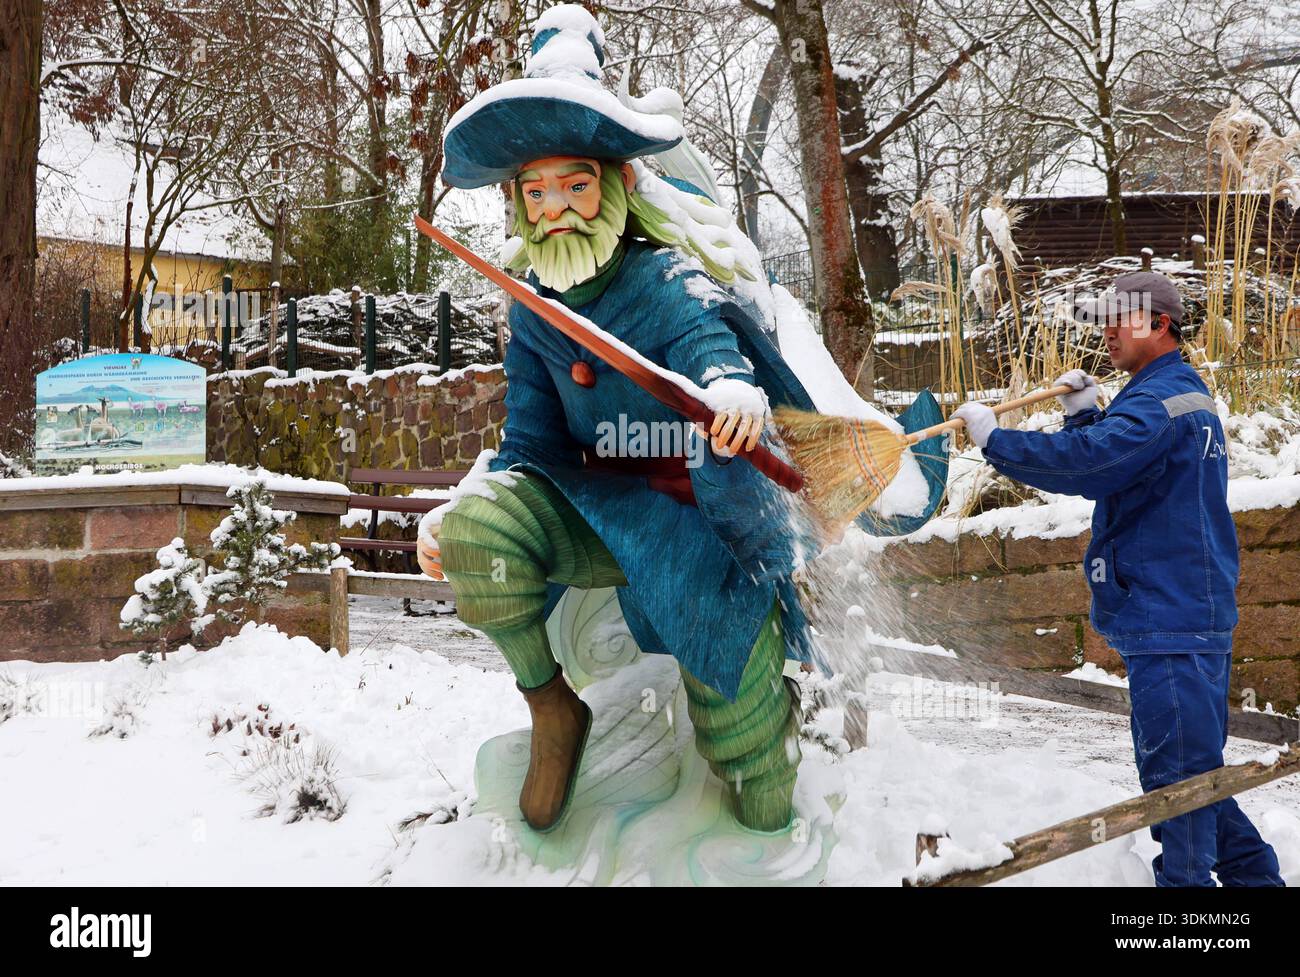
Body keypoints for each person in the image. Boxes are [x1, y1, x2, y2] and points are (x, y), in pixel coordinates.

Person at [415, 5, 817, 834]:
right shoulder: (532, 312)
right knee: (480, 536)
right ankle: (553, 708)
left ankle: (769, 787)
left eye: (575, 183)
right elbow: (526, 447)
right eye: (536, 190)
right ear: (518, 205)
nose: (556, 207)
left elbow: (714, 354)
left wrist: (731, 400)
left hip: (693, 522)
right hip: (593, 513)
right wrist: (465, 509)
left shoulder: (668, 282)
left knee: (748, 749)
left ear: (617, 185)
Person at [952, 270, 1285, 887]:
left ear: (1160, 324)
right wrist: (1085, 414)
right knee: (1189, 776)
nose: (1105, 333)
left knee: (1177, 789)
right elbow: (1119, 459)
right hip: (1178, 613)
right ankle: (1258, 885)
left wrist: (997, 440)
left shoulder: (1159, 402)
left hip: (1173, 617)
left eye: (1119, 319)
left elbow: (1096, 463)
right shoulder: (1163, 394)